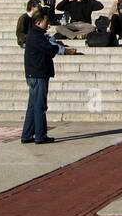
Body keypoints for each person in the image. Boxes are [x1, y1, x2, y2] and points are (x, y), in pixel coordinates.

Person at [21, 13, 79, 145]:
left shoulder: (35, 35)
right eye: (46, 22)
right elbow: (49, 49)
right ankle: (40, 135)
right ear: (38, 23)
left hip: (34, 74)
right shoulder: (37, 36)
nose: (48, 25)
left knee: (33, 105)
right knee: (39, 106)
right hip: (38, 74)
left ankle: (27, 134)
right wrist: (58, 48)